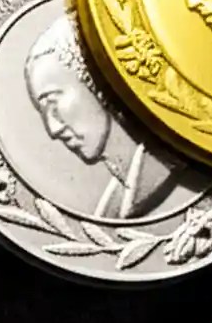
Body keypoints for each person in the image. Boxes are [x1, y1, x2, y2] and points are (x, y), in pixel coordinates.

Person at [24, 13, 186, 219]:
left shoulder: (167, 164)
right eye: (42, 111)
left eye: (53, 103)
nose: (53, 129)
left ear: (97, 78)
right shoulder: (110, 209)